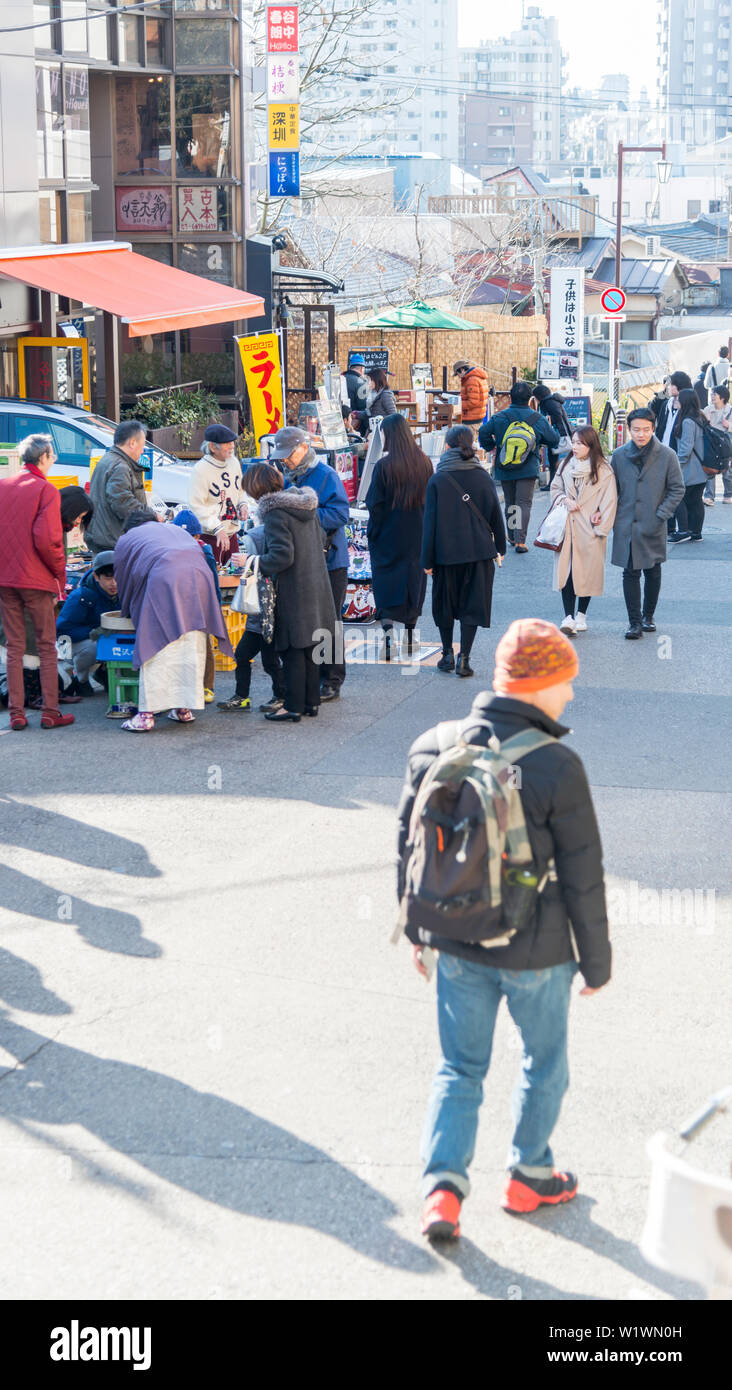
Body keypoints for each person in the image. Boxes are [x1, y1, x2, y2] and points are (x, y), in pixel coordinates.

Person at [397, 618, 611, 1240]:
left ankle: (442, 1194)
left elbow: (408, 843)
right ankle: (529, 1175)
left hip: (456, 941)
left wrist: (416, 931)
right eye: (564, 681)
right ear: (539, 683)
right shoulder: (557, 765)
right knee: (544, 1063)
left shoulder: (434, 744)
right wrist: (595, 963)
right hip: (536, 950)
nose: (570, 694)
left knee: (458, 1068)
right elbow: (583, 875)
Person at [113, 510, 232, 732]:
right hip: (199, 579)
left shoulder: (128, 538)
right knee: (190, 644)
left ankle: (146, 715)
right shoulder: (173, 530)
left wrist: (128, 609)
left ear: (129, 527)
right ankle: (183, 708)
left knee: (157, 646)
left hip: (164, 579)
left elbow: (123, 578)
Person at [241, 463, 336, 724]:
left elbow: (282, 556)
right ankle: (310, 703)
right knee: (309, 648)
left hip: (293, 589)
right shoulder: (304, 505)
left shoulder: (275, 513)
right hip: (316, 584)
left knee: (293, 649)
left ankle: (293, 706)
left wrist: (252, 561)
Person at [268, 426, 350, 703]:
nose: (285, 461)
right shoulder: (290, 478)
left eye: (288, 454)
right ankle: (315, 678)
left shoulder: (325, 475)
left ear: (304, 448)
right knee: (310, 621)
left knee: (329, 621)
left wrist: (302, 518)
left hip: (330, 560)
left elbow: (340, 514)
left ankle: (333, 679)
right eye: (282, 456)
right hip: (307, 561)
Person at [0, 433, 74, 730]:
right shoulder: (46, 490)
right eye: (52, 456)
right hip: (36, 578)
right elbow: (49, 540)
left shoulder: (3, 486)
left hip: (6, 578)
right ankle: (50, 711)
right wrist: (59, 574)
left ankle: (16, 712)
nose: (53, 460)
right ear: (43, 457)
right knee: (46, 645)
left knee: (14, 646)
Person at [421, 424, 506, 677]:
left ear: (446, 447)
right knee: (472, 605)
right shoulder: (483, 477)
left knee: (444, 605)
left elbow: (429, 524)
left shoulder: (437, 479)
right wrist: (499, 547)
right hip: (478, 553)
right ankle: (464, 659)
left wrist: (427, 559)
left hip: (445, 555)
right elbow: (495, 517)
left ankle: (446, 654)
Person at [610, 408, 684, 639]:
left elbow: (677, 488)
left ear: (653, 428)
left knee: (653, 570)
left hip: (654, 523)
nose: (641, 434)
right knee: (630, 572)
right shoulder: (619, 455)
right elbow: (612, 490)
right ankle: (634, 623)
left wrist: (662, 514)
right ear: (628, 430)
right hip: (627, 523)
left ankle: (648, 617)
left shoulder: (667, 455)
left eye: (645, 430)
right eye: (636, 430)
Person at [216, 472, 286, 715]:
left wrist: (247, 562)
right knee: (243, 654)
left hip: (266, 614)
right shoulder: (267, 532)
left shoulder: (259, 535)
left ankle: (281, 695)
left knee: (269, 661)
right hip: (259, 614)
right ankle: (242, 695)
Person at [365, 413, 433, 658]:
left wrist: (372, 532)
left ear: (389, 435)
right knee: (414, 581)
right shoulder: (424, 462)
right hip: (418, 533)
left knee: (386, 581)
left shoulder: (384, 466)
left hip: (388, 534)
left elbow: (376, 504)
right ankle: (410, 636)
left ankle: (387, 639)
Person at [549, 428, 618, 635]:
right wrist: (564, 500)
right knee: (567, 573)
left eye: (580, 443)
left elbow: (610, 501)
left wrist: (601, 527)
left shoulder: (604, 470)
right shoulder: (565, 465)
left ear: (590, 445)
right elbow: (555, 488)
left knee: (586, 574)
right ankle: (568, 617)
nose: (575, 447)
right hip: (567, 528)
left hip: (589, 530)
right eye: (573, 442)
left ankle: (581, 615)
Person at [479, 381, 560, 552]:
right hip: (528, 467)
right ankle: (520, 541)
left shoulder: (500, 417)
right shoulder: (537, 418)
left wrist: (492, 447)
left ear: (510, 397)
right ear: (530, 398)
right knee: (524, 503)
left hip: (505, 465)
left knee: (510, 503)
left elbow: (483, 432)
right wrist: (537, 442)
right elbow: (554, 439)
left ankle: (511, 535)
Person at [171, 508, 223, 702]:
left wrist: (215, 606)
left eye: (189, 536)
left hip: (202, 605)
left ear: (198, 535)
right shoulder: (172, 550)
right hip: (180, 604)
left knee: (204, 645)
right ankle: (184, 686)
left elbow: (214, 582)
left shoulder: (204, 551)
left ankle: (207, 686)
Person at [55, 550, 117, 695]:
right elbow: (62, 630)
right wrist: (94, 632)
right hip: (68, 646)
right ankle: (80, 679)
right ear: (96, 576)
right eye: (108, 578)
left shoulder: (123, 593)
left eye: (118, 577)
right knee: (96, 646)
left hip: (101, 639)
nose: (114, 583)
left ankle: (103, 672)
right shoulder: (82, 596)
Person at [85, 420, 149, 554]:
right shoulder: (120, 467)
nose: (143, 451)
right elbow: (123, 503)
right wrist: (150, 516)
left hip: (103, 537)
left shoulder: (108, 459)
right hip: (111, 542)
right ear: (132, 443)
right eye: (142, 446)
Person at [188, 423, 242, 564]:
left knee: (235, 576)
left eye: (232, 442)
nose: (232, 446)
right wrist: (217, 528)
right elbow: (196, 506)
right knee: (214, 578)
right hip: (211, 536)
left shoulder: (234, 462)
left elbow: (240, 490)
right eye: (226, 443)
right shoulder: (200, 470)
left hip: (232, 533)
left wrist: (243, 505)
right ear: (212, 447)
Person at [668, 388, 707, 544]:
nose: (675, 401)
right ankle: (696, 533)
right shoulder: (700, 416)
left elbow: (685, 449)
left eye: (678, 399)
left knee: (677, 497)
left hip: (689, 469)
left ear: (684, 402)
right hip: (701, 469)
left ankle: (683, 530)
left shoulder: (688, 421)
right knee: (695, 500)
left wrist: (674, 465)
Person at [531, 383, 573, 488]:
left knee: (553, 459)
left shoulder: (548, 402)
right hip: (558, 433)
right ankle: (553, 483)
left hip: (557, 435)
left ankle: (553, 484)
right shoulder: (551, 401)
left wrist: (550, 425)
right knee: (553, 459)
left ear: (539, 396)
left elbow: (557, 416)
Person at [702, 383, 732, 506]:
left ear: (723, 397)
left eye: (715, 394)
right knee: (710, 468)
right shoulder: (708, 409)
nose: (712, 396)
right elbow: (702, 425)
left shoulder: (730, 410)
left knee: (727, 470)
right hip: (712, 443)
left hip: (726, 443)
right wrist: (706, 421)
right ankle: (709, 497)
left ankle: (728, 494)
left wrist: (729, 425)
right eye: (712, 394)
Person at [654, 370, 691, 450]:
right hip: (662, 452)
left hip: (677, 456)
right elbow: (659, 429)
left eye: (671, 384)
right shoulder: (666, 405)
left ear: (679, 386)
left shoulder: (688, 408)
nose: (668, 387)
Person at [452, 359, 490, 428]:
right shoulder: (477, 377)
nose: (459, 376)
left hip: (471, 419)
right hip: (476, 416)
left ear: (462, 370)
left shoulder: (471, 380)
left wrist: (457, 403)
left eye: (458, 374)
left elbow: (473, 402)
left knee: (470, 438)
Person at [59, 485, 93, 558]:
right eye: (79, 516)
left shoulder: (63, 525)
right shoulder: (54, 527)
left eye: (82, 518)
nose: (78, 521)